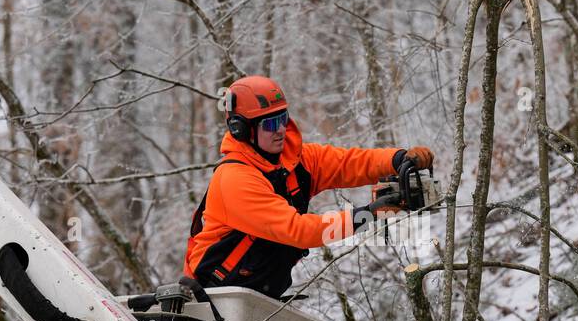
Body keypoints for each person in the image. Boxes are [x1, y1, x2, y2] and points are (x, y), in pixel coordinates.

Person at [184, 75, 434, 299]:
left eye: (282, 119)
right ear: (242, 130)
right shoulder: (235, 179)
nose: (280, 130)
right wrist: (366, 215)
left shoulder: (295, 160)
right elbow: (300, 231)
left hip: (254, 294)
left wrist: (397, 159)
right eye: (270, 124)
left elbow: (347, 164)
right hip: (215, 295)